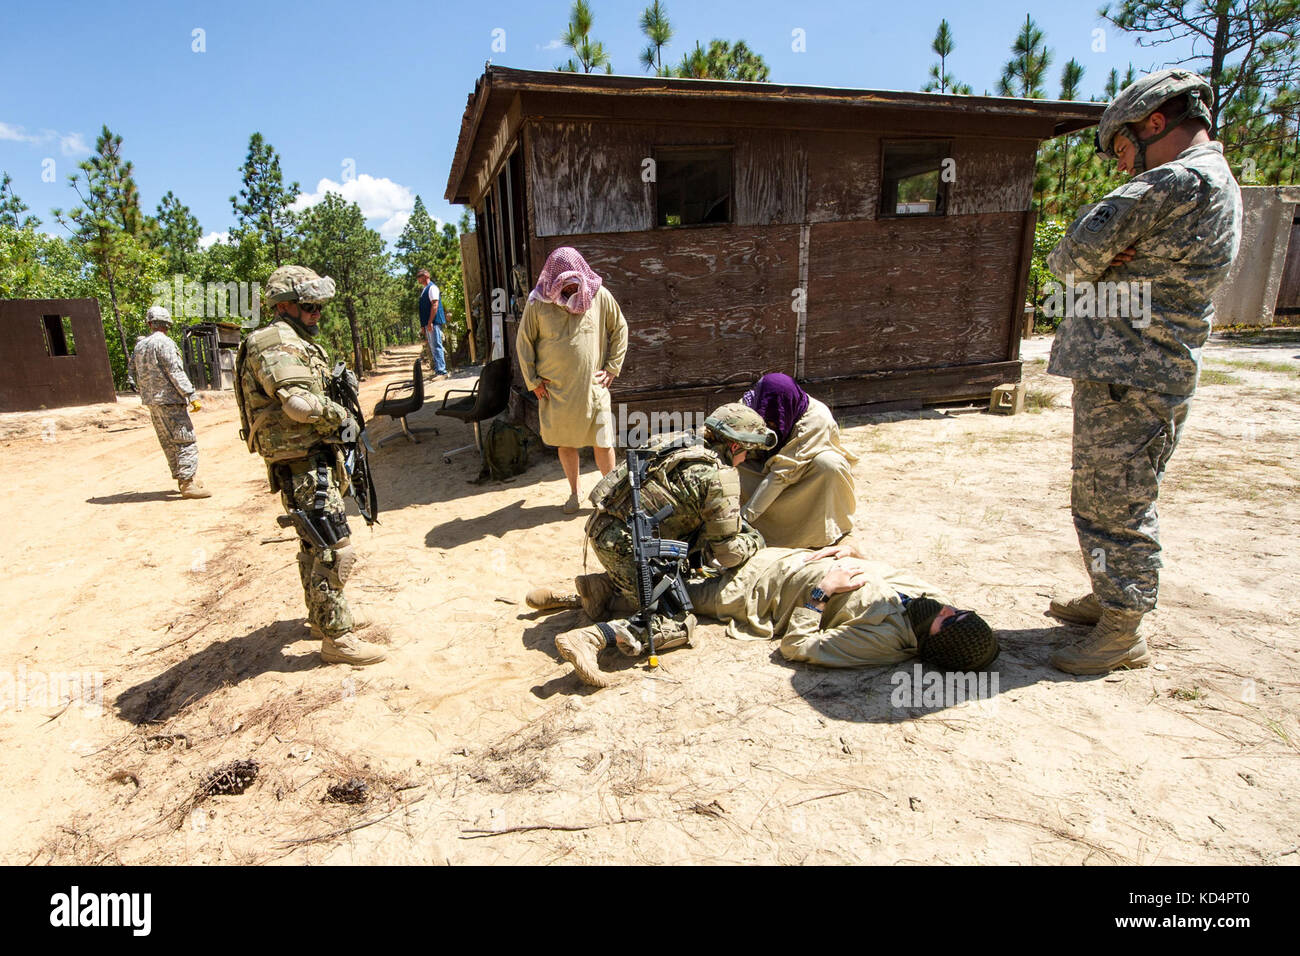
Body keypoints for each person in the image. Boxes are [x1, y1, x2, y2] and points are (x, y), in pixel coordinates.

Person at [1044, 69, 1242, 675]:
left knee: (1116, 502)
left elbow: (1068, 257)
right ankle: (1110, 597)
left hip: (1132, 374)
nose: (1125, 165)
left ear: (1156, 122)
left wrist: (1099, 262)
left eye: (1124, 148)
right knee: (1106, 494)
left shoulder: (1176, 180)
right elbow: (1083, 262)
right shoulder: (1213, 182)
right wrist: (1105, 263)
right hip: (1139, 372)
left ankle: (1122, 631)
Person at [527, 403, 776, 686]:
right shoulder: (720, 476)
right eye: (747, 451)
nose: (746, 459)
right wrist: (754, 541)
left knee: (672, 577)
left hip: (604, 531)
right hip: (631, 546)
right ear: (733, 446)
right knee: (676, 622)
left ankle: (599, 591)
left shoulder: (677, 440)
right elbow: (728, 554)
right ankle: (590, 638)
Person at [550, 540, 997, 688]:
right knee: (691, 553)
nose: (950, 608)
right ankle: (600, 591)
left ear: (936, 642)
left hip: (760, 592)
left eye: (951, 620)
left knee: (677, 594)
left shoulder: (882, 642)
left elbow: (798, 646)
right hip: (782, 556)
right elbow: (880, 573)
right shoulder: (932, 600)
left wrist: (822, 593)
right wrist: (854, 551)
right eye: (961, 610)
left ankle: (599, 603)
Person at [236, 265, 386, 666]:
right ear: (283, 305)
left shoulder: (293, 337)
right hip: (302, 458)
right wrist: (342, 418)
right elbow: (299, 404)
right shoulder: (276, 341)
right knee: (334, 548)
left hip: (309, 455)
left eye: (320, 305)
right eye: (309, 306)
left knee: (311, 543)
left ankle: (323, 619)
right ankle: (338, 638)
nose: (317, 312)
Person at [516, 247, 628, 513]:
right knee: (566, 443)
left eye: (572, 285)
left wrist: (612, 367)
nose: (567, 292)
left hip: (593, 390)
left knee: (603, 442)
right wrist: (532, 382)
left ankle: (610, 496)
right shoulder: (538, 302)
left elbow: (620, 327)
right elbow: (524, 343)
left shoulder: (599, 295)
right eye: (562, 286)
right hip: (556, 391)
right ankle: (574, 493)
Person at [738, 373, 859, 548]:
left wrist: (744, 520)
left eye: (774, 424)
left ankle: (823, 535)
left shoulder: (816, 420)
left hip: (801, 482)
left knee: (829, 464)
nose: (770, 428)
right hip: (759, 475)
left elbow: (781, 475)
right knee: (733, 462)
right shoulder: (748, 406)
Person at [130, 306, 210, 499]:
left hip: (151, 402)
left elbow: (131, 373)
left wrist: (144, 391)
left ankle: (183, 479)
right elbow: (175, 371)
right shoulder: (165, 343)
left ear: (150, 323)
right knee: (185, 441)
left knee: (168, 442)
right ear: (167, 325)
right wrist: (191, 395)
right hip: (170, 401)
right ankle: (188, 484)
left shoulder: (140, 346)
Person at [416, 268, 446, 379]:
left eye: (420, 276)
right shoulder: (425, 290)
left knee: (436, 345)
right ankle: (438, 369)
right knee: (433, 347)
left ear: (426, 276)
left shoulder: (432, 288)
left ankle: (442, 371)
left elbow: (435, 305)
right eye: (418, 276)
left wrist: (430, 322)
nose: (419, 278)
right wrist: (423, 325)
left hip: (433, 322)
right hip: (428, 324)